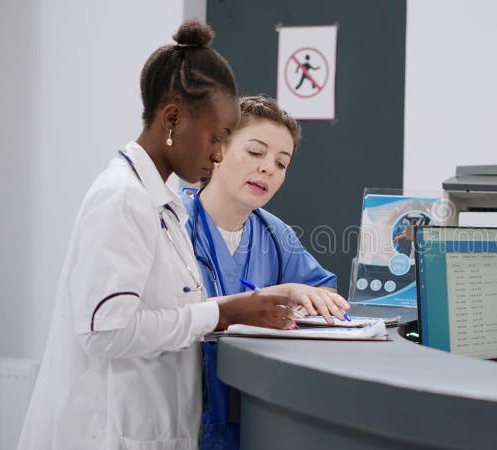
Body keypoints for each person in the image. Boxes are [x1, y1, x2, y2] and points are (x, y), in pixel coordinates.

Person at [17, 22, 334, 450]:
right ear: (172, 119)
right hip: (108, 432)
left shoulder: (159, 203)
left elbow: (174, 312)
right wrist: (224, 313)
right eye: (218, 139)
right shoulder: (123, 198)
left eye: (281, 162)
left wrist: (235, 308)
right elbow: (104, 330)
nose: (218, 154)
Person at [179, 95, 350, 450]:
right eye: (255, 153)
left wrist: (301, 304)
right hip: (180, 412)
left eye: (281, 163)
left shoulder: (275, 234)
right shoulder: (172, 224)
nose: (268, 169)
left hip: (255, 415)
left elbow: (324, 294)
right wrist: (278, 294)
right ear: (217, 149)